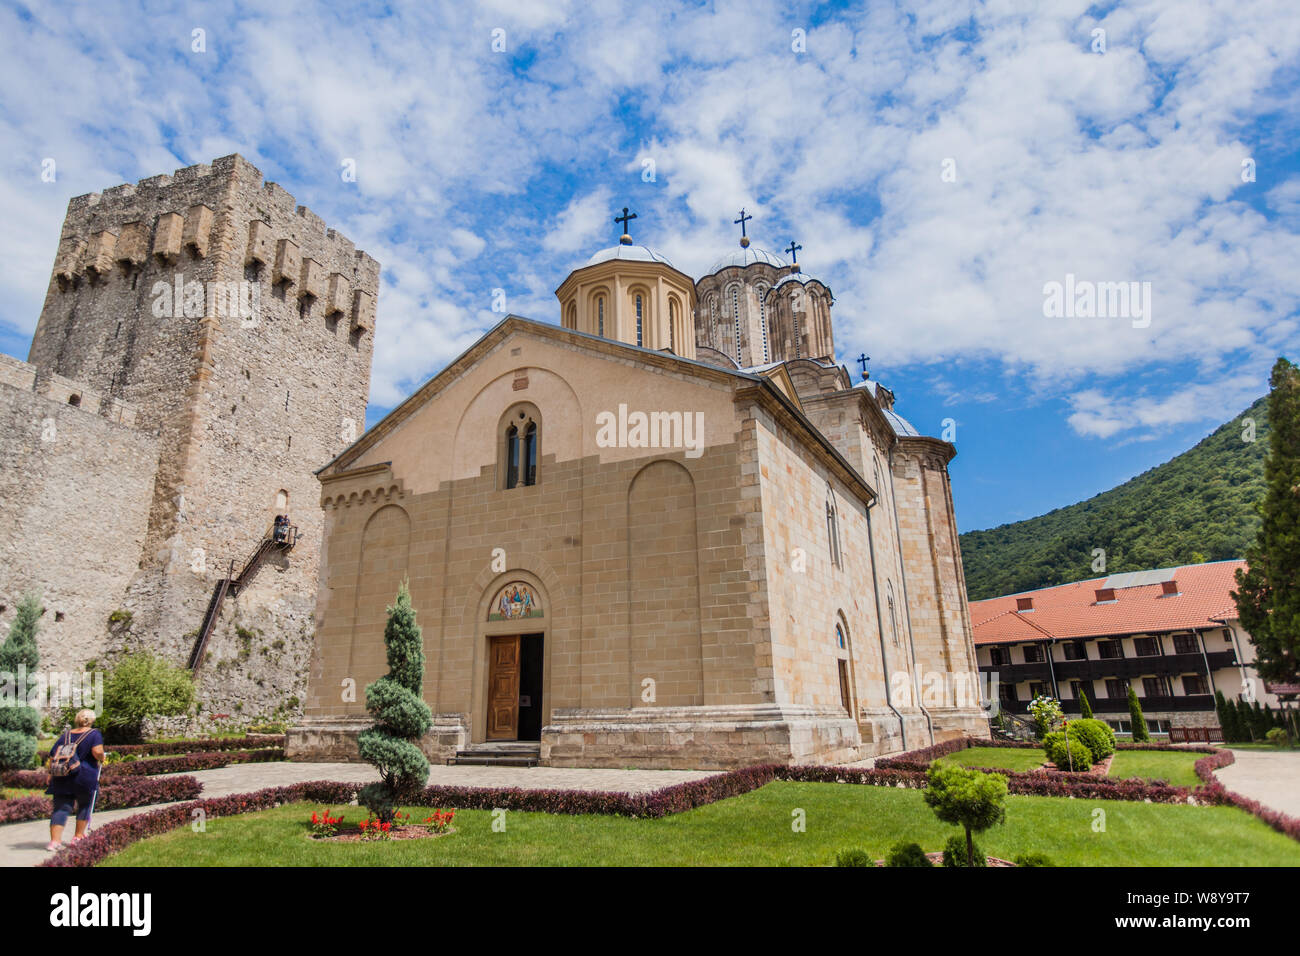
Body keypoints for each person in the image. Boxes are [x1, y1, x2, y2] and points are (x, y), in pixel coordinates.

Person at [45, 709, 105, 851]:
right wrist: (102, 757)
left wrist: (50, 774)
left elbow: (53, 755)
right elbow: (97, 752)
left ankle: (54, 842)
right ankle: (78, 837)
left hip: (62, 775)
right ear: (91, 720)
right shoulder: (94, 734)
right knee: (84, 804)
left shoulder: (66, 735)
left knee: (60, 807)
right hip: (84, 776)